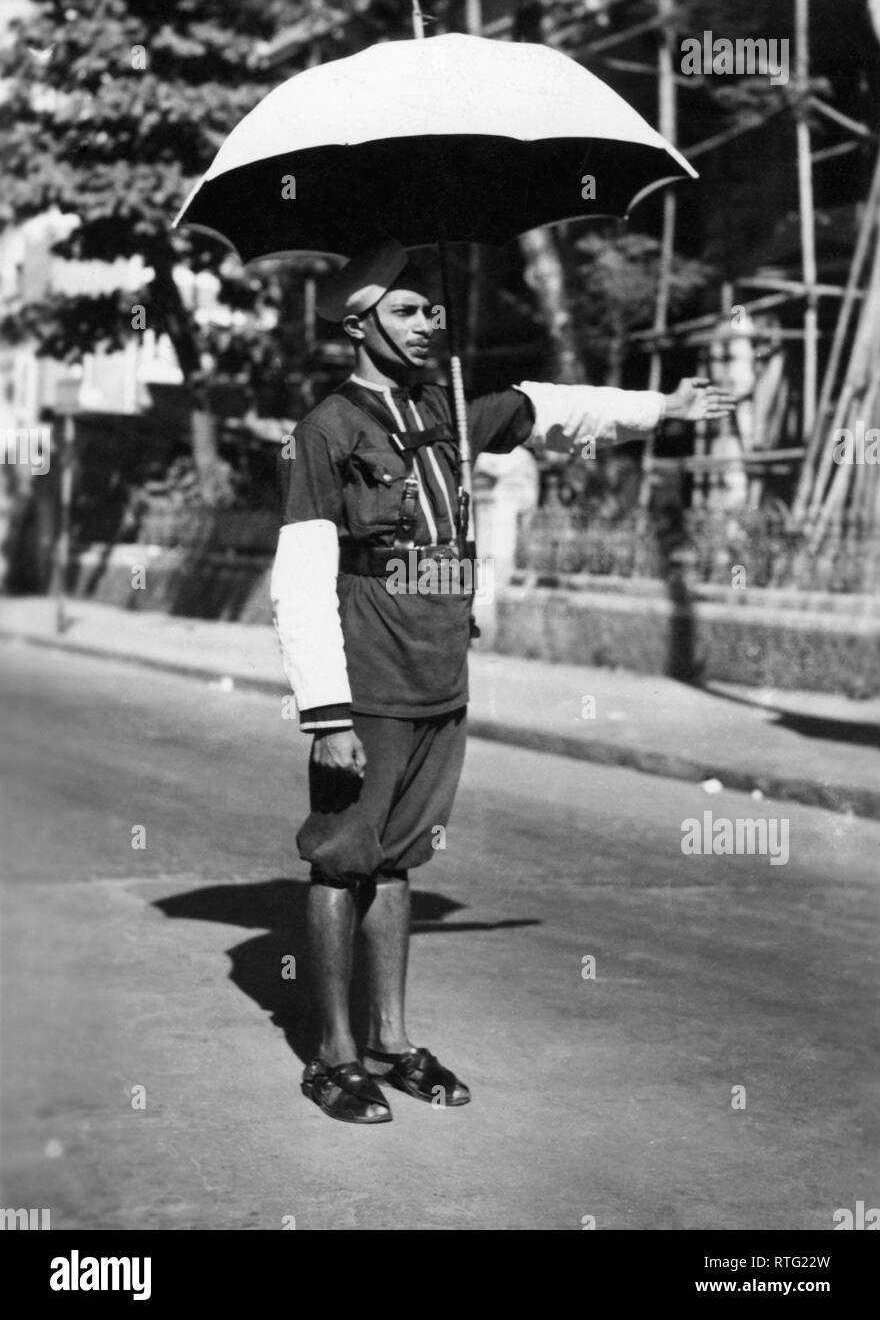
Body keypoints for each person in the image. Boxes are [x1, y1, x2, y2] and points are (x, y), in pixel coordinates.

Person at [271, 238, 734, 1125]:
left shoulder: (444, 409)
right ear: (358, 322)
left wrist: (665, 405)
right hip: (366, 676)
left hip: (442, 669)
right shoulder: (325, 431)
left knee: (400, 863)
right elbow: (299, 578)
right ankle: (331, 1055)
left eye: (430, 310)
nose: (425, 324)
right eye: (405, 312)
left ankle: (392, 1040)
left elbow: (546, 407)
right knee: (342, 863)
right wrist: (325, 715)